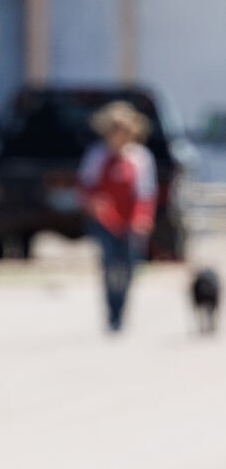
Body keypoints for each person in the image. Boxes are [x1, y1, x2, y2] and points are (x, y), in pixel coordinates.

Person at [78, 100, 157, 333]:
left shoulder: (140, 157)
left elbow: (146, 193)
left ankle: (122, 311)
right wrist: (93, 203)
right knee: (111, 266)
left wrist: (142, 219)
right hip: (103, 221)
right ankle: (111, 314)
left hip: (132, 223)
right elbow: (85, 186)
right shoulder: (97, 155)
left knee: (129, 267)